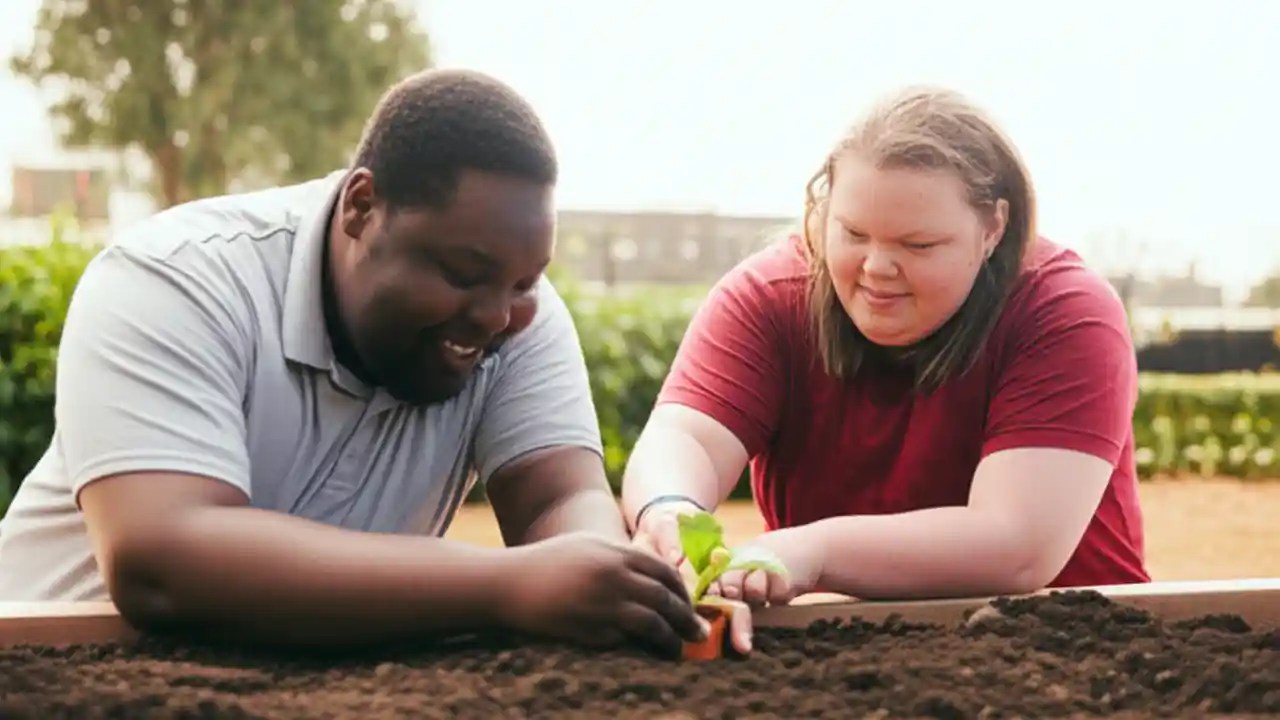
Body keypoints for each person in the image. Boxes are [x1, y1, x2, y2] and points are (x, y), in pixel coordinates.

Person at [0, 68, 704, 657]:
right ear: (362, 207)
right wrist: (507, 584)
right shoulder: (175, 279)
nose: (497, 316)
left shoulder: (519, 319)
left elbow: (558, 497)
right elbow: (163, 557)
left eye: (523, 282)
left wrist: (600, 578)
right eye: (463, 271)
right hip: (53, 667)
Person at [624, 85, 1149, 654]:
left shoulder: (1063, 311)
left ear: (994, 227)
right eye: (851, 233)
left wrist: (811, 551)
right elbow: (688, 438)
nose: (876, 268)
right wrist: (667, 507)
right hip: (853, 655)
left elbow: (1017, 544)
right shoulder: (770, 298)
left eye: (919, 245)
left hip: (1070, 655)